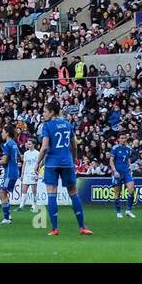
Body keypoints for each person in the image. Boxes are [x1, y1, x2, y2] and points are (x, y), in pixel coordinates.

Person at [37, 99, 92, 236]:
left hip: (52, 163)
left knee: (51, 193)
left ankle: (54, 229)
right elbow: (74, 145)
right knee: (73, 193)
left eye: (45, 112)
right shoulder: (68, 124)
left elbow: (44, 147)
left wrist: (37, 163)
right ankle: (82, 227)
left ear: (51, 112)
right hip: (67, 162)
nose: (43, 114)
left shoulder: (47, 126)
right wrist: (73, 160)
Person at [0, 127, 21, 225]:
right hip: (14, 171)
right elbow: (18, 157)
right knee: (4, 193)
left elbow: (5, 161)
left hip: (9, 172)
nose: (2, 134)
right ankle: (8, 215)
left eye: (3, 132)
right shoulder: (14, 144)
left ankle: (6, 218)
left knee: (2, 193)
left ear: (7, 133)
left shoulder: (7, 144)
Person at [108, 133, 137, 219]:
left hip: (126, 172)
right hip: (117, 173)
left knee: (131, 189)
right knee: (117, 193)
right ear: (119, 139)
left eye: (124, 138)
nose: (123, 139)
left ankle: (128, 210)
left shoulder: (128, 149)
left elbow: (128, 159)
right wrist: (115, 171)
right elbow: (111, 161)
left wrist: (130, 167)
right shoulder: (115, 148)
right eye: (122, 138)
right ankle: (118, 212)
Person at [20, 138, 41, 212]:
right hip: (26, 173)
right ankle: (21, 206)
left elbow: (39, 164)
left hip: (33, 173)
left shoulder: (37, 153)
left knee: (34, 190)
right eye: (27, 143)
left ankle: (34, 205)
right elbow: (24, 164)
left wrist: (37, 174)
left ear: (33, 145)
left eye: (29, 144)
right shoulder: (26, 153)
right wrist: (22, 174)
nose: (28, 145)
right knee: (24, 189)